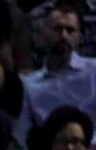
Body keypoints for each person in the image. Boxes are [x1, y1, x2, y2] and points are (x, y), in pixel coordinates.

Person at [19, 4, 96, 140]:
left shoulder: (94, 71)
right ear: (43, 35)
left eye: (70, 30)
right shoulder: (28, 84)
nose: (63, 35)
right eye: (57, 29)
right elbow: (24, 133)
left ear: (79, 37)